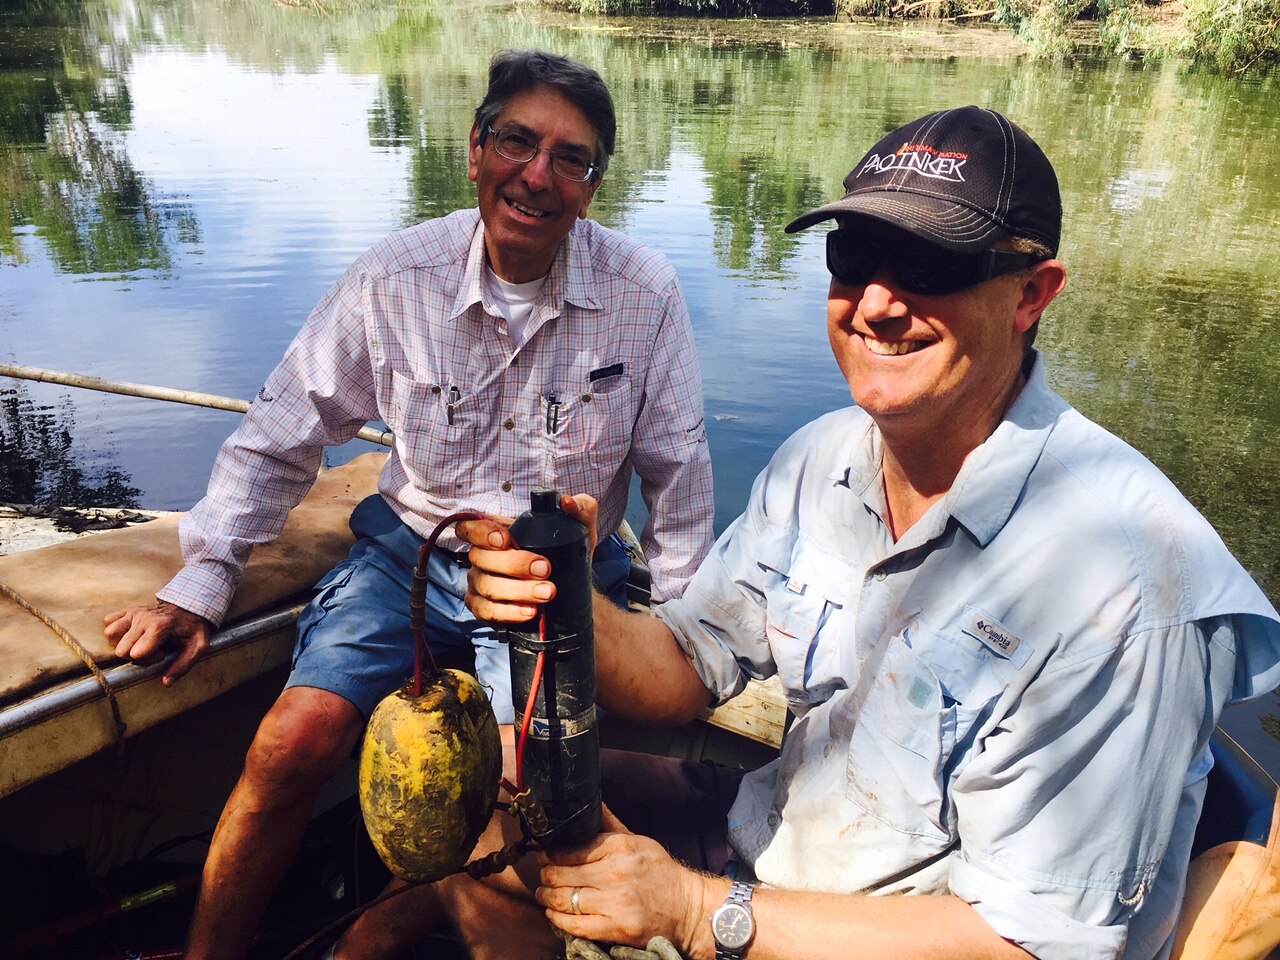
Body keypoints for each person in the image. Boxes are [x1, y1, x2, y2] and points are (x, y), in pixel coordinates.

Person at [455, 106, 1280, 960]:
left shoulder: (1130, 578)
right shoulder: (822, 459)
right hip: (778, 848)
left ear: (1032, 294)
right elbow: (684, 669)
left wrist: (699, 912)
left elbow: (1030, 946)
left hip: (915, 933)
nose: (878, 304)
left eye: (930, 264)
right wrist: (560, 602)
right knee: (499, 808)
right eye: (853, 256)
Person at [102, 50, 714, 960]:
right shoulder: (395, 279)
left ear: (592, 187)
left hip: (560, 580)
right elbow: (284, 428)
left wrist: (682, 638)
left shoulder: (644, 292)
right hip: (411, 561)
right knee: (288, 743)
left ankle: (377, 931)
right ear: (475, 149)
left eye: (571, 159)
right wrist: (202, 580)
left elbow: (679, 478)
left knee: (524, 794)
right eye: (517, 141)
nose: (537, 177)